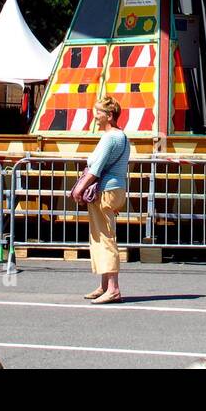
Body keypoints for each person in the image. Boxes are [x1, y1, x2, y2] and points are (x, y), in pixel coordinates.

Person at [82, 96, 130, 305]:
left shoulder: (110, 138)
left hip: (104, 190)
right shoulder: (123, 137)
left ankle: (112, 288)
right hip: (116, 188)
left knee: (104, 237)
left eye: (98, 112)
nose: (95, 116)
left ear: (109, 116)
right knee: (103, 236)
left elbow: (96, 168)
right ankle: (104, 285)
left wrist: (79, 189)